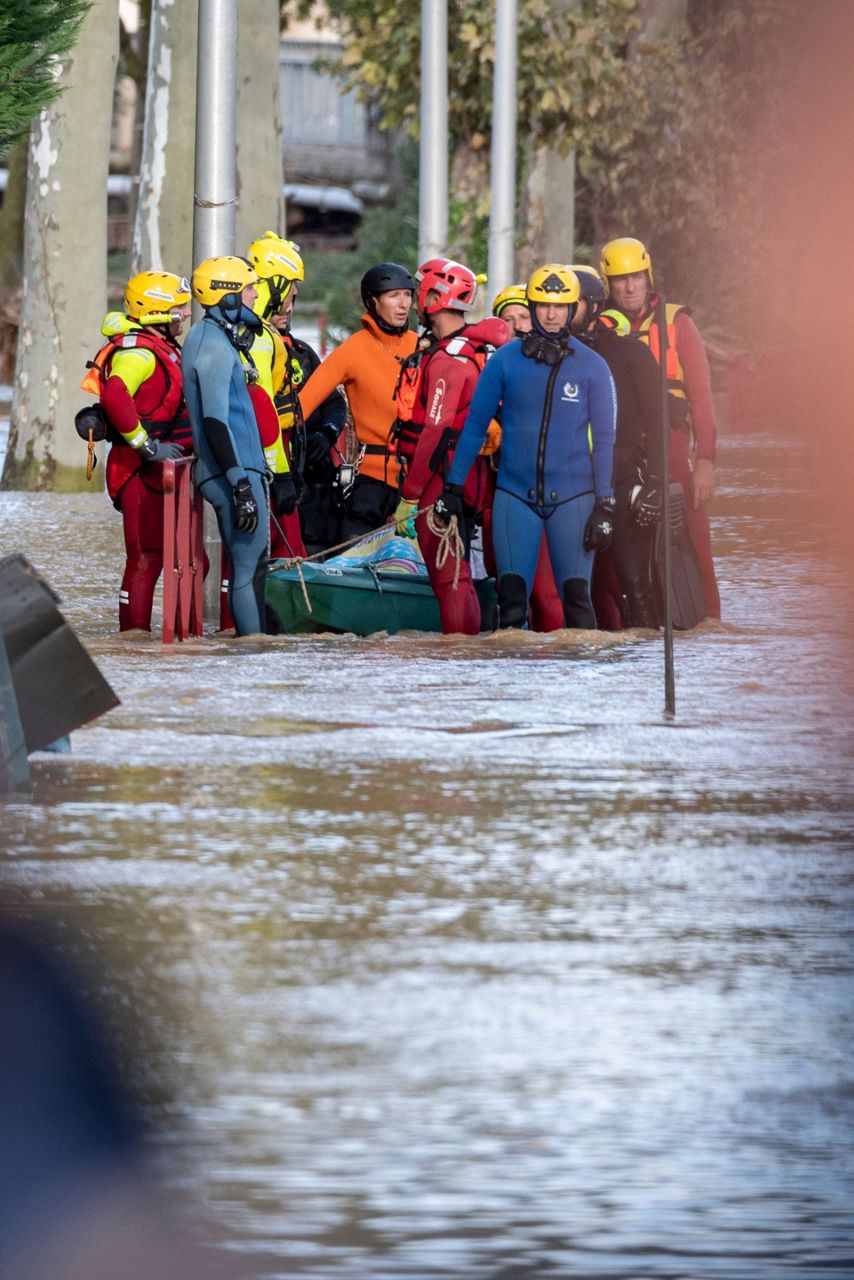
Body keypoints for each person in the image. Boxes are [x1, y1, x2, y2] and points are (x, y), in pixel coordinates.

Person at [437, 264, 616, 630]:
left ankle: (583, 667)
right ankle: (511, 667)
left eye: (560, 306)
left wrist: (605, 503)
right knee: (512, 600)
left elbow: (605, 440)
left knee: (577, 599)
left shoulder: (593, 367)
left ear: (571, 309)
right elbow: (474, 428)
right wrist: (453, 488)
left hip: (574, 498)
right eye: (544, 306)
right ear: (533, 308)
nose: (551, 315)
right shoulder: (504, 360)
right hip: (515, 495)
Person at [599, 236, 720, 618]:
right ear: (607, 284)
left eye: (636, 277)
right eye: (620, 280)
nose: (630, 287)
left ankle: (707, 623)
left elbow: (702, 398)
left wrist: (706, 461)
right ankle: (629, 624)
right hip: (621, 445)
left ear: (648, 276)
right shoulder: (599, 326)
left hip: (671, 440)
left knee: (692, 536)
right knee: (616, 541)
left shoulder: (678, 323)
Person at [392, 259, 509, 635]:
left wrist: (410, 496)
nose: (415, 303)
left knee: (449, 579)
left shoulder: (449, 359)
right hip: (469, 477)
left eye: (419, 294)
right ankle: (468, 652)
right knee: (460, 576)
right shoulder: (470, 348)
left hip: (443, 479)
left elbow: (435, 430)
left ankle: (456, 655)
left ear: (433, 298)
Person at [86, 271, 192, 631]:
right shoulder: (140, 353)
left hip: (165, 466)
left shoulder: (162, 346)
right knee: (145, 558)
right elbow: (115, 395)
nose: (186, 313)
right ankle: (133, 642)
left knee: (181, 558)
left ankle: (184, 643)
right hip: (137, 468)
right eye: (180, 306)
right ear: (157, 311)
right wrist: (146, 446)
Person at [571, 264, 664, 628]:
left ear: (594, 306)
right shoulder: (556, 354)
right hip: (574, 475)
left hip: (624, 475)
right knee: (586, 582)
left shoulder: (631, 352)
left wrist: (657, 482)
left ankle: (644, 646)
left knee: (633, 580)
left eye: (571, 302)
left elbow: (657, 421)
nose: (560, 310)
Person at [297, 263, 418, 542]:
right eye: (393, 296)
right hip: (371, 482)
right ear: (372, 302)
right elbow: (303, 404)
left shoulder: (421, 347)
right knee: (354, 558)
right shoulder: (353, 349)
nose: (403, 304)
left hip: (417, 482)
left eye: (407, 295)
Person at [181, 256, 269, 637]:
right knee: (248, 568)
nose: (254, 296)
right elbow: (215, 423)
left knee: (254, 565)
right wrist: (241, 485)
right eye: (248, 289)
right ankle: (252, 651)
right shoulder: (211, 343)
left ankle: (250, 650)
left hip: (239, 467)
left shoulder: (217, 337)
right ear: (228, 296)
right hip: (230, 471)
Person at [246, 232, 346, 553]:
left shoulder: (301, 352)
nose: (289, 307)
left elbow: (335, 403)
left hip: (307, 474)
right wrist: (281, 474)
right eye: (288, 296)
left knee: (293, 552)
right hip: (271, 471)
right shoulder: (251, 345)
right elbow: (263, 415)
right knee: (273, 554)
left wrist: (326, 435)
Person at [487, 283, 563, 631]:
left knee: (545, 589)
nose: (517, 325)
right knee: (506, 583)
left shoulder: (554, 365)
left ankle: (556, 649)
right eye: (508, 318)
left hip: (543, 491)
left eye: (523, 316)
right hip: (499, 490)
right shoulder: (489, 366)